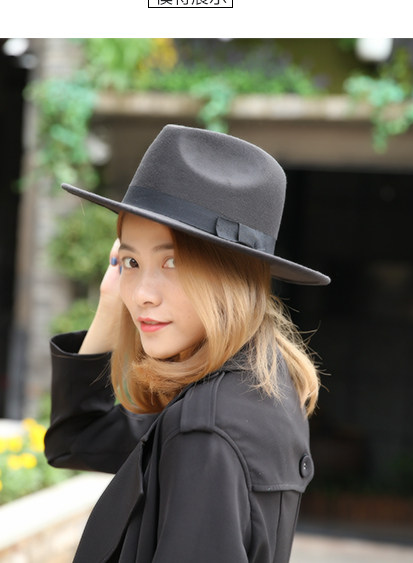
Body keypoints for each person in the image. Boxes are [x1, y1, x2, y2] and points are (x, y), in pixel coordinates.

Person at [44, 124, 330, 563]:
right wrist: (111, 300)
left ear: (230, 275)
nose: (142, 294)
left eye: (172, 262)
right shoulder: (261, 382)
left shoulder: (203, 429)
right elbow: (78, 440)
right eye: (131, 261)